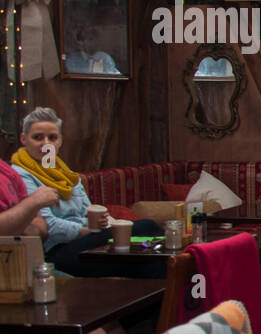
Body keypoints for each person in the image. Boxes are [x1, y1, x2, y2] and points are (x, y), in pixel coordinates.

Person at [0, 156, 129, 334]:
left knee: (94, 302)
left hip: (26, 265)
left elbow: (39, 229)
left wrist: (21, 222)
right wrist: (31, 205)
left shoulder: (6, 171)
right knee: (64, 307)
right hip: (11, 274)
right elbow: (26, 220)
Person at [10, 107, 164, 278]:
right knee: (148, 227)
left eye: (52, 138)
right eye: (38, 137)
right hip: (58, 250)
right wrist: (88, 231)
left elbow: (87, 209)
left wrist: (99, 222)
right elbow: (49, 226)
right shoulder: (20, 174)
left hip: (88, 240)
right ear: (24, 139)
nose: (46, 144)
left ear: (60, 141)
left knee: (151, 260)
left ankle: (169, 302)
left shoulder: (64, 172)